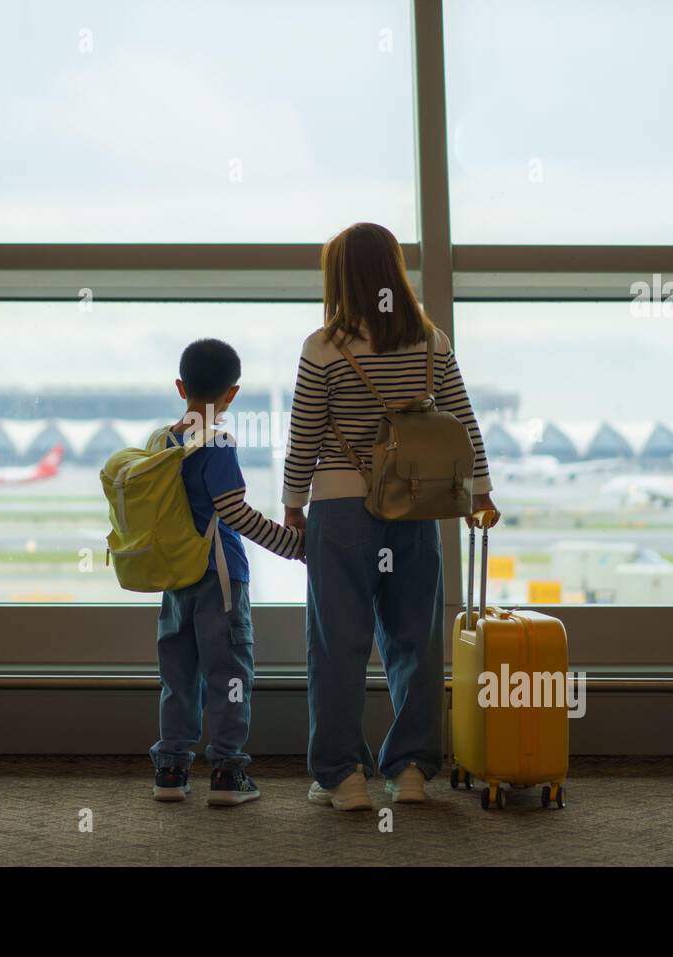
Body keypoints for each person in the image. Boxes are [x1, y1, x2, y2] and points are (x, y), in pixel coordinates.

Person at [282, 223, 498, 811]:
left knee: (337, 645)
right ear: (394, 272)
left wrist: (292, 503)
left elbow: (304, 434)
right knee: (415, 639)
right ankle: (410, 772)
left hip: (341, 507)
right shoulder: (431, 340)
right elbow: (462, 422)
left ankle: (344, 777)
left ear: (340, 277)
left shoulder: (324, 346)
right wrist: (480, 493)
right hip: (415, 503)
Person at [150, 338, 305, 806]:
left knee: (179, 675)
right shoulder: (216, 441)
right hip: (221, 579)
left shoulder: (162, 441)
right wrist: (291, 545)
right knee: (229, 673)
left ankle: (172, 771)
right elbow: (232, 511)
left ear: (180, 387)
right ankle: (226, 773)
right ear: (232, 394)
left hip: (175, 578)